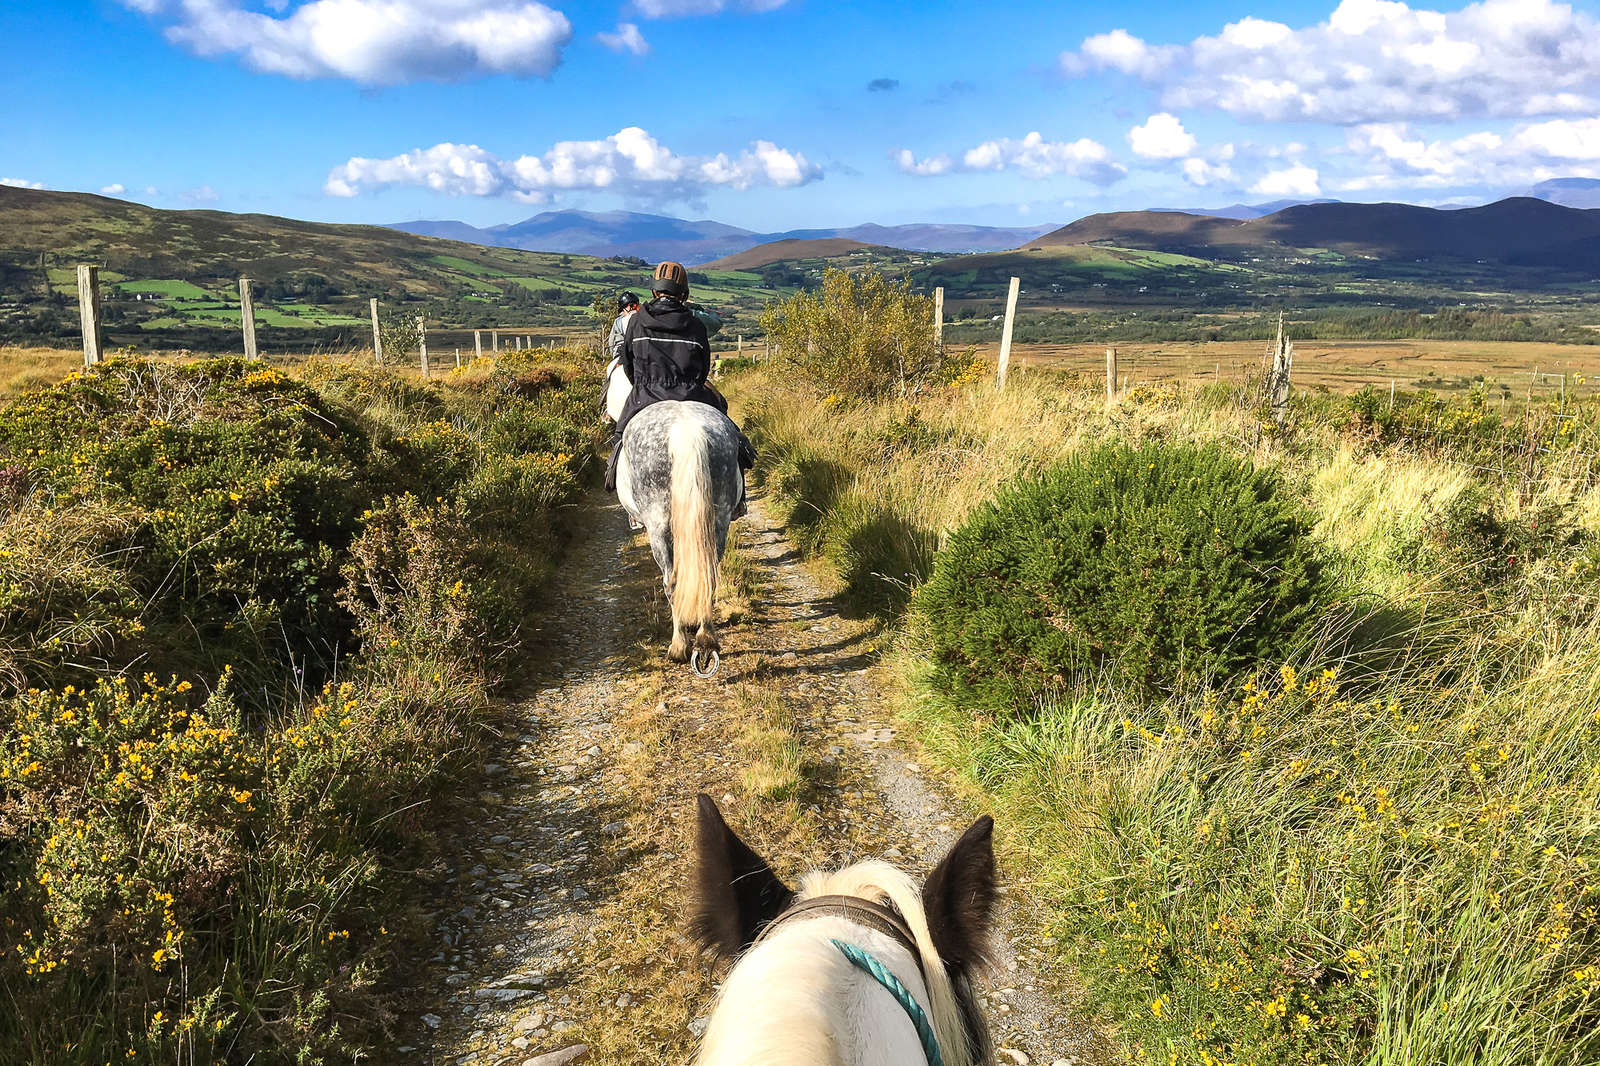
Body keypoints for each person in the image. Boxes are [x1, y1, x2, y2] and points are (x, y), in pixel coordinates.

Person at [605, 261, 757, 502]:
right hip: (691, 392)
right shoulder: (696, 324)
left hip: (646, 393)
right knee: (729, 429)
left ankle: (613, 476)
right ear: (684, 295)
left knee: (621, 437)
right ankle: (739, 498)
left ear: (654, 291)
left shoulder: (635, 322)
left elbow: (629, 363)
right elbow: (703, 368)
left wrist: (643, 384)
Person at [607, 291, 641, 362]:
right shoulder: (645, 316)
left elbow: (612, 342)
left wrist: (614, 356)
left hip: (623, 355)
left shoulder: (618, 322)